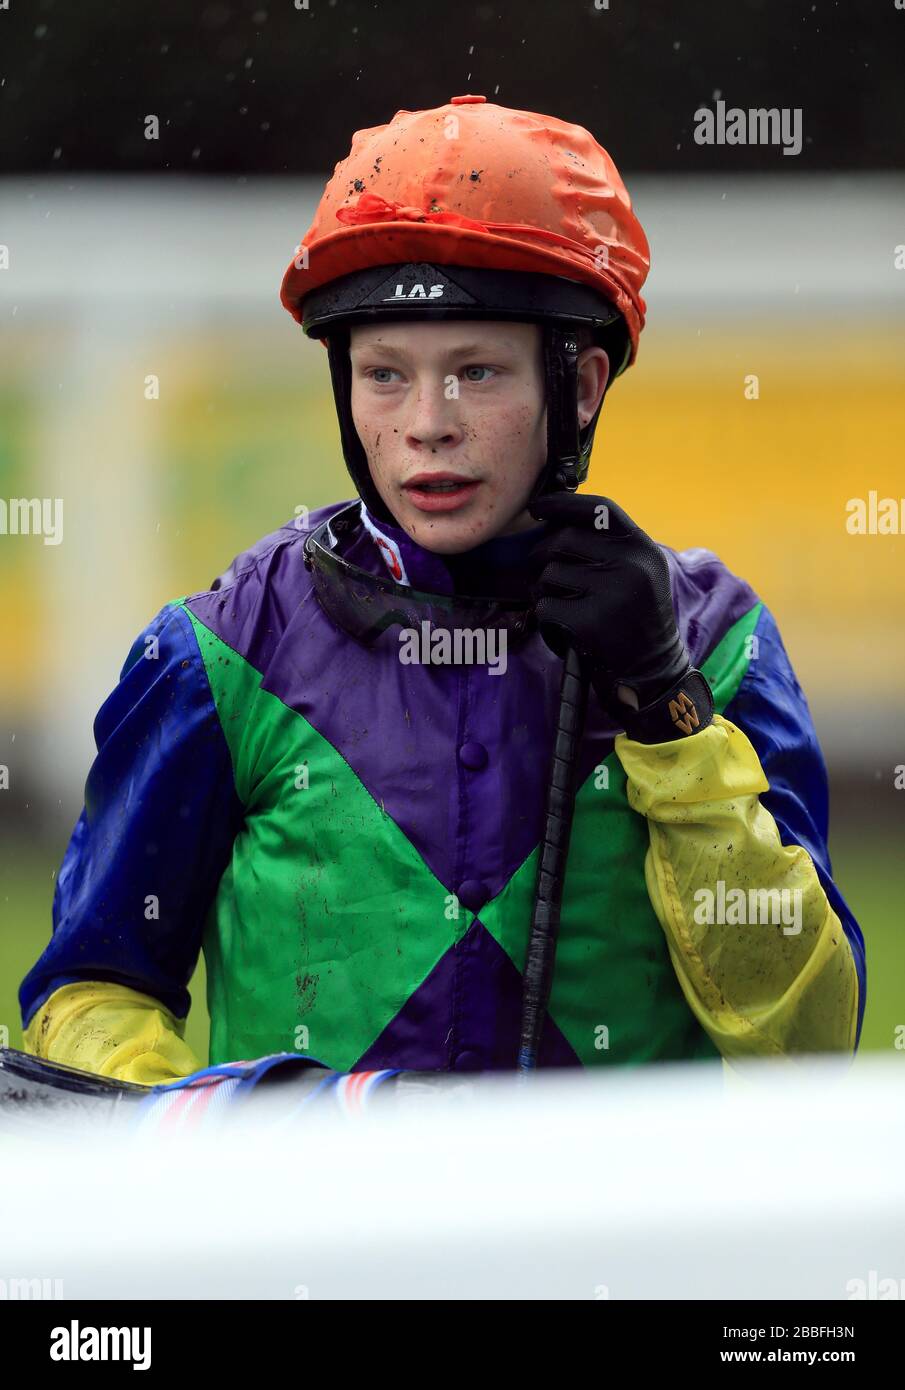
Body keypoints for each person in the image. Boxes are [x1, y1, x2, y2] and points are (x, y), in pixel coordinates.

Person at [19, 95, 864, 1084]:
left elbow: (805, 1039)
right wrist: (250, 1131)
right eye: (384, 374)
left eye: (474, 372)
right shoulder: (216, 652)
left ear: (581, 385)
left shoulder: (715, 640)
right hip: (317, 1242)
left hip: (618, 1244)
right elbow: (88, 993)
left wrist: (668, 711)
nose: (427, 423)